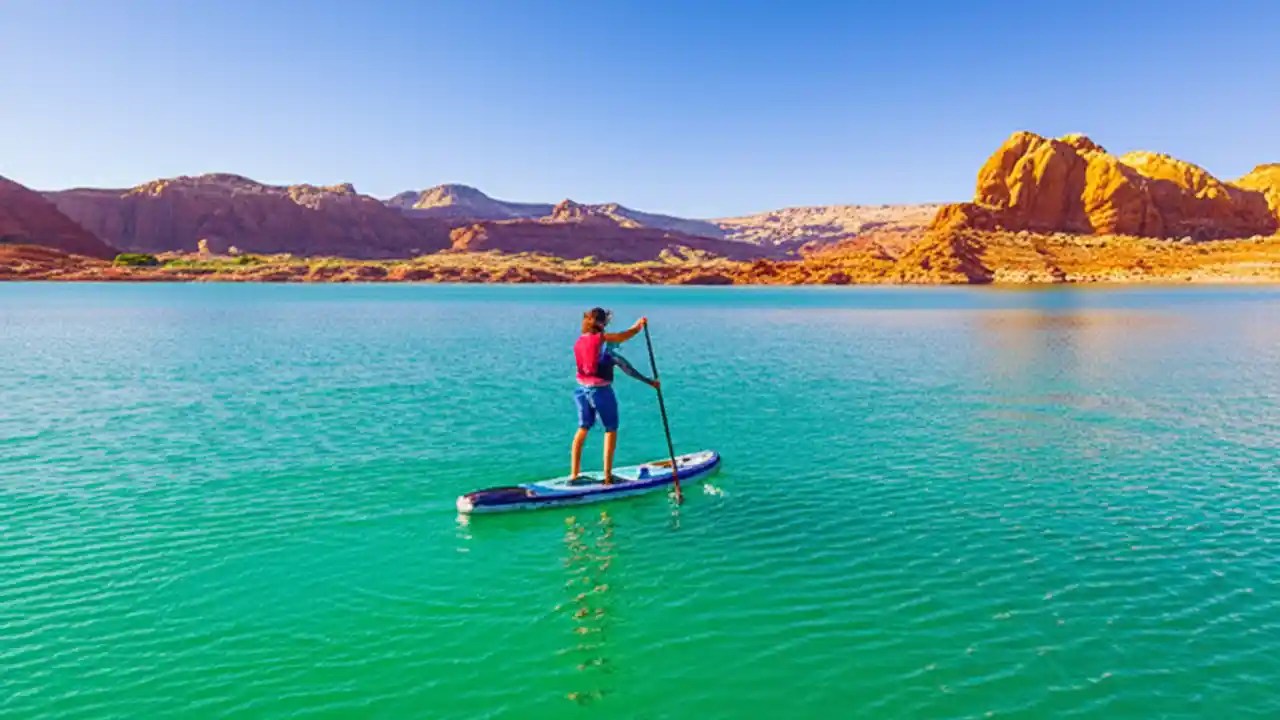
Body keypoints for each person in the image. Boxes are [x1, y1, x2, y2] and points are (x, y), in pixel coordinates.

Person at [571, 307, 660, 483]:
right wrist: (650, 382)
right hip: (600, 392)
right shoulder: (603, 342)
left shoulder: (580, 341)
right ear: (602, 323)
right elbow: (626, 363)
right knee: (610, 429)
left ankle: (574, 474)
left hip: (581, 390)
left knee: (583, 428)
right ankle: (607, 476)